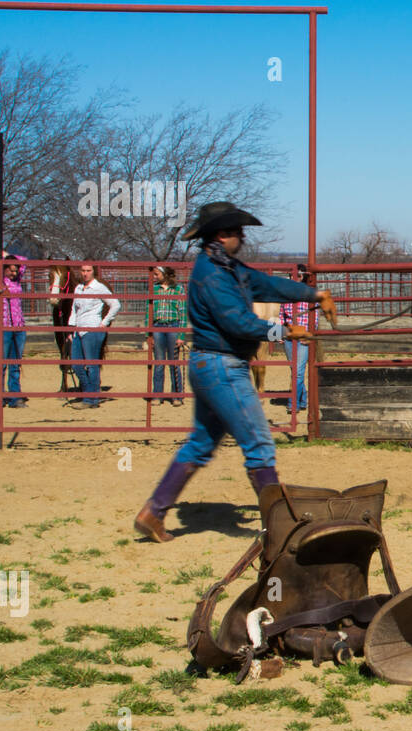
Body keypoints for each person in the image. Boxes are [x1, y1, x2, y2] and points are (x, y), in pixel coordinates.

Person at [132, 201, 336, 543]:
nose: (241, 236)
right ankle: (279, 526)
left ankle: (154, 511)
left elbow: (266, 284)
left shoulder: (227, 269)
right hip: (222, 366)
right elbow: (236, 322)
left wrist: (314, 294)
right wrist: (283, 332)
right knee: (258, 443)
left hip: (211, 366)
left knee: (200, 444)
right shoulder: (211, 275)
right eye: (235, 232)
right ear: (219, 236)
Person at [68, 264, 120, 409]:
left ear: (93, 272)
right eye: (83, 271)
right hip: (78, 330)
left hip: (92, 329)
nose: (85, 273)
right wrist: (71, 329)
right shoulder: (78, 288)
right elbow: (74, 309)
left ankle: (91, 399)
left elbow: (115, 305)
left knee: (92, 365)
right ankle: (89, 391)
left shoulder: (99, 288)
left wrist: (104, 323)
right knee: (75, 364)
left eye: (88, 271)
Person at [0, 250, 29, 408]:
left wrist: (10, 255)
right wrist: (3, 258)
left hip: (18, 326)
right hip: (2, 326)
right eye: (11, 269)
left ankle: (15, 396)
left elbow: (24, 260)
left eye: (15, 270)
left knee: (15, 363)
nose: (14, 272)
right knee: (1, 363)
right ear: (4, 268)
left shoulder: (17, 281)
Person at [149, 266, 187, 406]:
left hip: (173, 326)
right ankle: (157, 395)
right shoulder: (154, 289)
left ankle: (177, 395)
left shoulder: (179, 289)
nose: (154, 277)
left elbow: (182, 313)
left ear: (164, 274)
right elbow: (150, 311)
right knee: (159, 362)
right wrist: (150, 333)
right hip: (158, 327)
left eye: (156, 274)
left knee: (174, 362)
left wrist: (181, 335)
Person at [280, 265, 315, 413]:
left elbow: (315, 317)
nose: (295, 278)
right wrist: (278, 334)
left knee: (298, 372)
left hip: (302, 337)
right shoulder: (286, 295)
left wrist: (310, 335)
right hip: (289, 336)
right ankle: (303, 400)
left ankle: (292, 403)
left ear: (304, 277)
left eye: (298, 275)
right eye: (292, 275)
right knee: (295, 370)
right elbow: (282, 316)